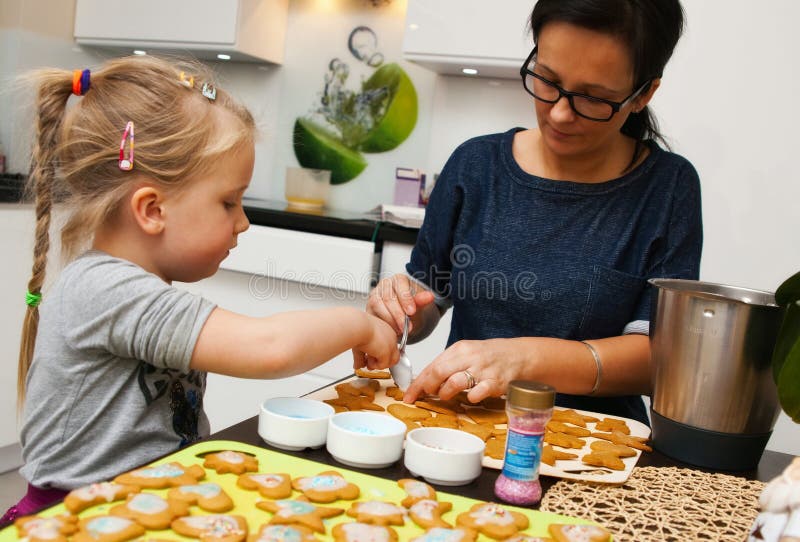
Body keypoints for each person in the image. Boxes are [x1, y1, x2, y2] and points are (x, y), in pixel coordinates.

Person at [2, 55, 399, 526]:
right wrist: (358, 325)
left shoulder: (137, 287)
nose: (243, 222)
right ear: (151, 210)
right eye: (228, 202)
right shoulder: (105, 290)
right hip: (78, 520)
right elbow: (268, 348)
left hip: (151, 503)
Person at [359, 0, 701, 427]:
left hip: (590, 439)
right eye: (547, 79)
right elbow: (429, 297)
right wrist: (398, 310)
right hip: (459, 430)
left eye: (594, 98)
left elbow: (657, 360)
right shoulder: (475, 165)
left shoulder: (667, 188)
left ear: (644, 94)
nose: (559, 113)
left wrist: (524, 358)